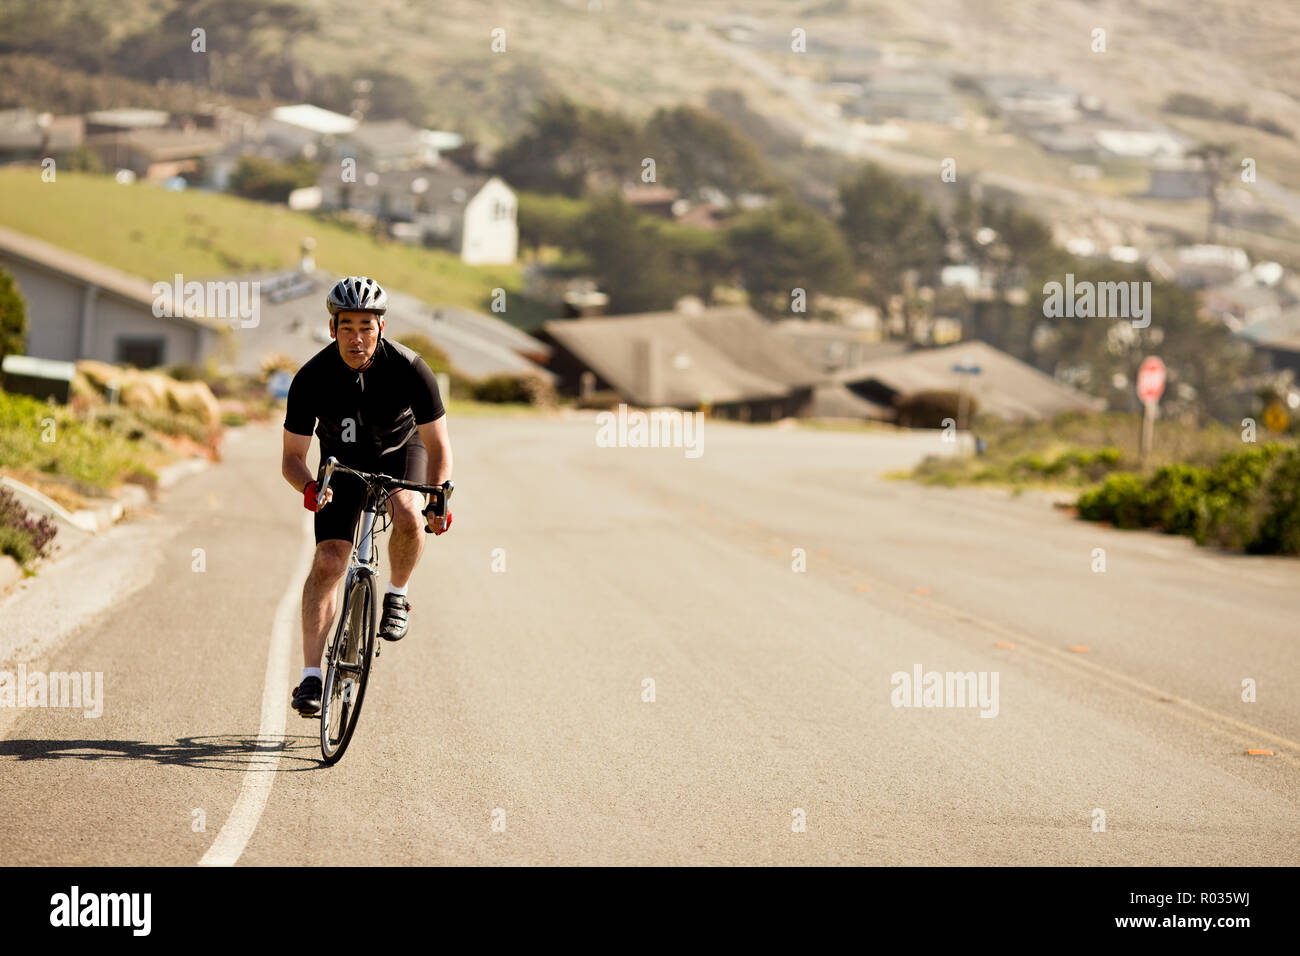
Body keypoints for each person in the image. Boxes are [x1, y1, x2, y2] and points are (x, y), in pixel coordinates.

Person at [280, 276, 453, 716]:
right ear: (333, 326)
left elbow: (438, 446)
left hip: (401, 453)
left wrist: (437, 501)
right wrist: (310, 487)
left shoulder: (410, 368)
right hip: (341, 468)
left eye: (366, 326)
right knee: (330, 561)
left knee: (410, 514)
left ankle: (397, 592)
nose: (356, 338)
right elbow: (292, 458)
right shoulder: (312, 376)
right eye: (347, 326)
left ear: (382, 326)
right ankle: (310, 677)